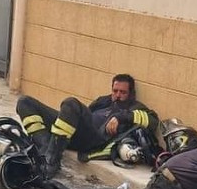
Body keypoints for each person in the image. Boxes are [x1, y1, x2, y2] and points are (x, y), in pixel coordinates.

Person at [16, 74, 158, 180]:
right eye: (115, 91)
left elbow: (153, 121)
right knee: (25, 102)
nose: (117, 95)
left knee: (71, 103)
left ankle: (52, 161)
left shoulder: (134, 107)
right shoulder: (104, 100)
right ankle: (45, 149)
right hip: (72, 132)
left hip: (94, 139)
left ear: (131, 94)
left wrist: (122, 117)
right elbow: (87, 113)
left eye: (123, 92)